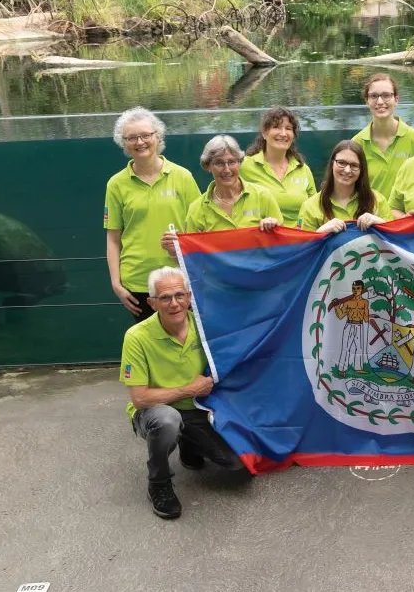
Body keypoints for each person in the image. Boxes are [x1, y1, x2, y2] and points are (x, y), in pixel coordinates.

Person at [120, 266, 250, 519]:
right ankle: (159, 483)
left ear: (190, 297)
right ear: (152, 303)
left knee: (238, 464)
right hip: (155, 411)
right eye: (165, 298)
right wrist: (189, 389)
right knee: (167, 421)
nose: (174, 303)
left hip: (200, 408)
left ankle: (189, 443)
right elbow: (140, 398)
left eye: (180, 295)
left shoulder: (206, 327)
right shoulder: (136, 337)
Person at [104, 107, 201, 322]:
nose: (140, 142)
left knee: (190, 343)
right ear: (124, 143)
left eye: (146, 135)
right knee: (152, 345)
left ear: (158, 137)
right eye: (132, 138)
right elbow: (113, 238)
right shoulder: (116, 184)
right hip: (138, 282)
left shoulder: (182, 176)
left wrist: (181, 247)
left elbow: (200, 228)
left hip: (181, 278)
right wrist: (116, 284)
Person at [160, 135, 282, 257]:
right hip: (216, 276)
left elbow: (283, 244)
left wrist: (274, 227)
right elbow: (193, 260)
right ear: (208, 166)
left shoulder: (262, 195)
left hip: (259, 274)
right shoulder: (197, 209)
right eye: (219, 163)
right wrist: (174, 250)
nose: (227, 169)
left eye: (232, 162)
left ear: (240, 163)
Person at [239, 107, 316, 225]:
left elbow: (315, 210)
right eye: (276, 127)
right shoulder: (244, 166)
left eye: (288, 128)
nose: (283, 133)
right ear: (264, 133)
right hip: (261, 237)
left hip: (300, 238)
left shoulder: (303, 169)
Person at [351, 73, 414, 199]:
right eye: (373, 96)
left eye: (386, 95)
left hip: (406, 216)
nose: (380, 101)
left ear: (396, 99)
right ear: (366, 101)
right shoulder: (357, 143)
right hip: (369, 216)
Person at [296, 140, 392, 234]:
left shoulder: (377, 201)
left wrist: (381, 223)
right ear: (332, 163)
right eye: (341, 163)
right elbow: (302, 247)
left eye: (354, 165)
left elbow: (396, 240)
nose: (347, 170)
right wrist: (321, 232)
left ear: (361, 169)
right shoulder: (310, 207)